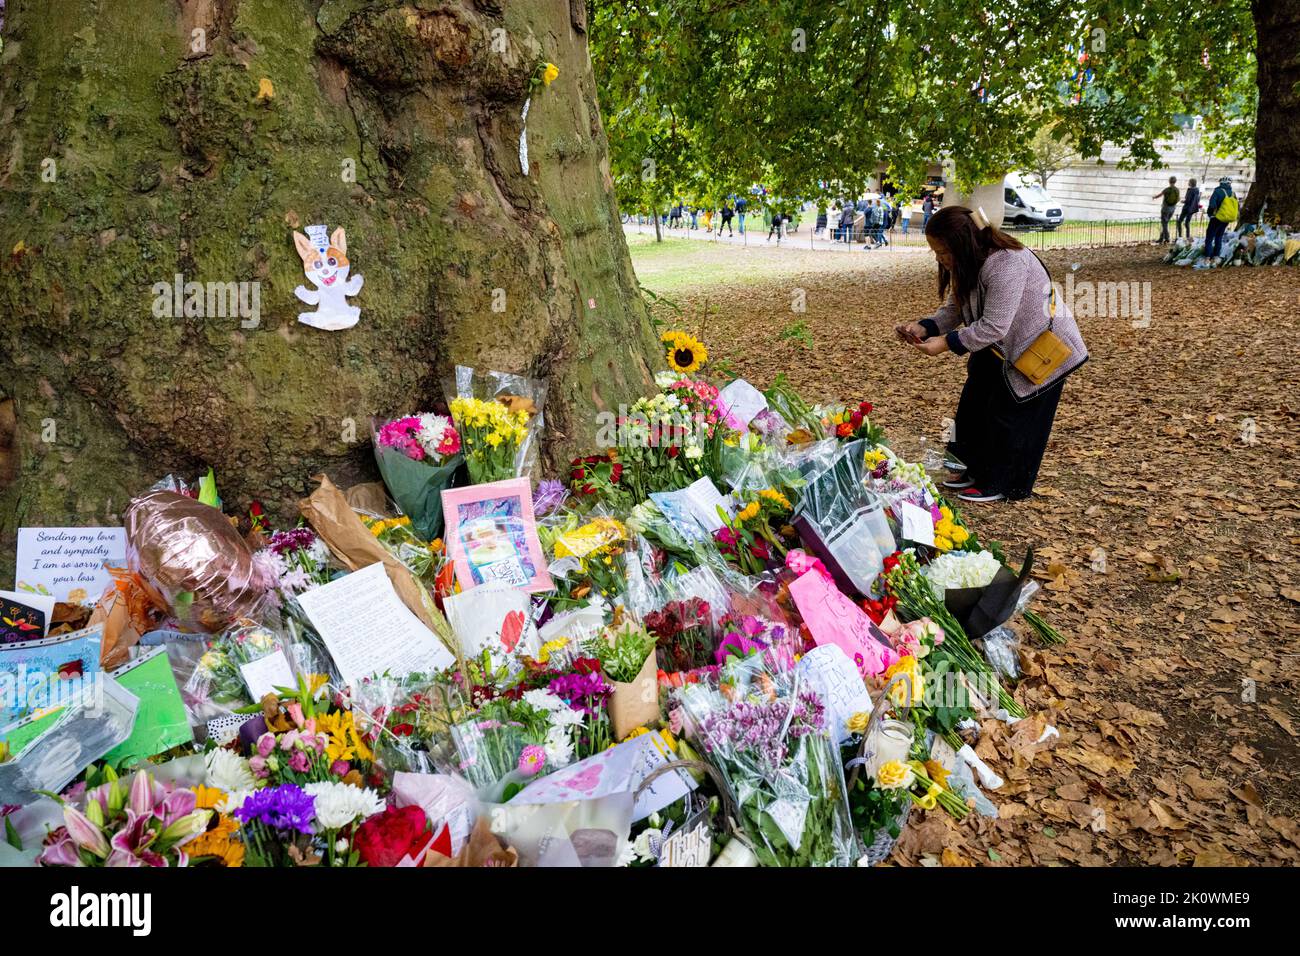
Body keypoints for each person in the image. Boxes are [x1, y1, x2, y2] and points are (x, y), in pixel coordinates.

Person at [893, 205, 1088, 503]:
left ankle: (1000, 483)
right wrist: (926, 326)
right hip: (998, 348)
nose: (939, 258)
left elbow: (995, 325)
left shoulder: (1006, 263)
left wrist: (945, 343)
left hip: (1040, 350)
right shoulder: (969, 263)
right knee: (974, 405)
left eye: (942, 251)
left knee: (1009, 417)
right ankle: (971, 470)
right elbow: (957, 308)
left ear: (962, 245)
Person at [1203, 177, 1235, 262]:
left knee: (1209, 238)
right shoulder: (1233, 193)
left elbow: (1212, 205)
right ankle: (1216, 256)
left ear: (1220, 183)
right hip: (1226, 219)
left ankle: (1207, 257)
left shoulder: (1217, 191)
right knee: (1219, 236)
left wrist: (1210, 214)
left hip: (1216, 218)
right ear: (1229, 184)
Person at [1153, 176, 1179, 243]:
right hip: (1172, 209)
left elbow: (1160, 195)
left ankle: (1167, 238)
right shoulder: (1177, 190)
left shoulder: (1167, 189)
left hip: (1165, 209)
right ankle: (1161, 238)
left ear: (1169, 181)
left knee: (1164, 224)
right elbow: (1178, 199)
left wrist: (1154, 197)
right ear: (1175, 181)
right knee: (1165, 224)